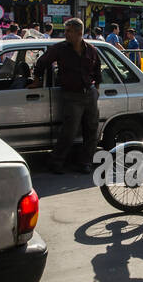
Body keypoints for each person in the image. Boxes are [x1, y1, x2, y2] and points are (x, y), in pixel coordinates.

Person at [30, 18, 102, 174]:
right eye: (66, 31)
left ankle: (86, 162)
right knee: (69, 132)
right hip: (72, 96)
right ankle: (56, 162)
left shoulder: (91, 50)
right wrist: (37, 80)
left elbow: (97, 70)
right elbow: (41, 62)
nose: (66, 34)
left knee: (91, 130)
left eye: (69, 31)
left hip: (89, 94)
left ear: (79, 32)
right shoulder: (60, 49)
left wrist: (96, 89)